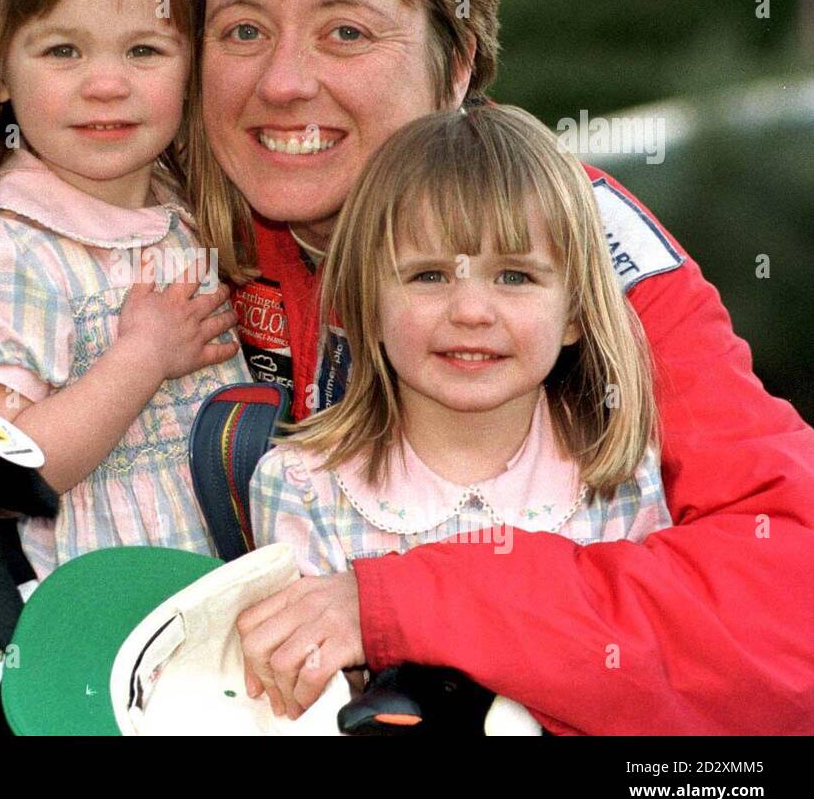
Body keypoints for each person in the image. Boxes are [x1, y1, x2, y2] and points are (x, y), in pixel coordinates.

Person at [181, 0, 814, 733]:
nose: (282, 82)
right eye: (243, 30)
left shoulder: (566, 247)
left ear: (457, 65)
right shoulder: (131, 220)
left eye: (345, 31)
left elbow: (787, 611)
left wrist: (404, 603)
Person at [0, 0, 250, 580]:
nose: (106, 84)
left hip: (233, 587)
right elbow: (6, 466)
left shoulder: (191, 211)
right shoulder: (7, 249)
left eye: (144, 50)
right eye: (63, 51)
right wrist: (141, 358)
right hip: (109, 609)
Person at [250, 104, 670, 577]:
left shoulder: (620, 483)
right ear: (368, 307)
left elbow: (637, 620)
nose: (471, 312)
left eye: (514, 277)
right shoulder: (303, 489)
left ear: (575, 311)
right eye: (430, 275)